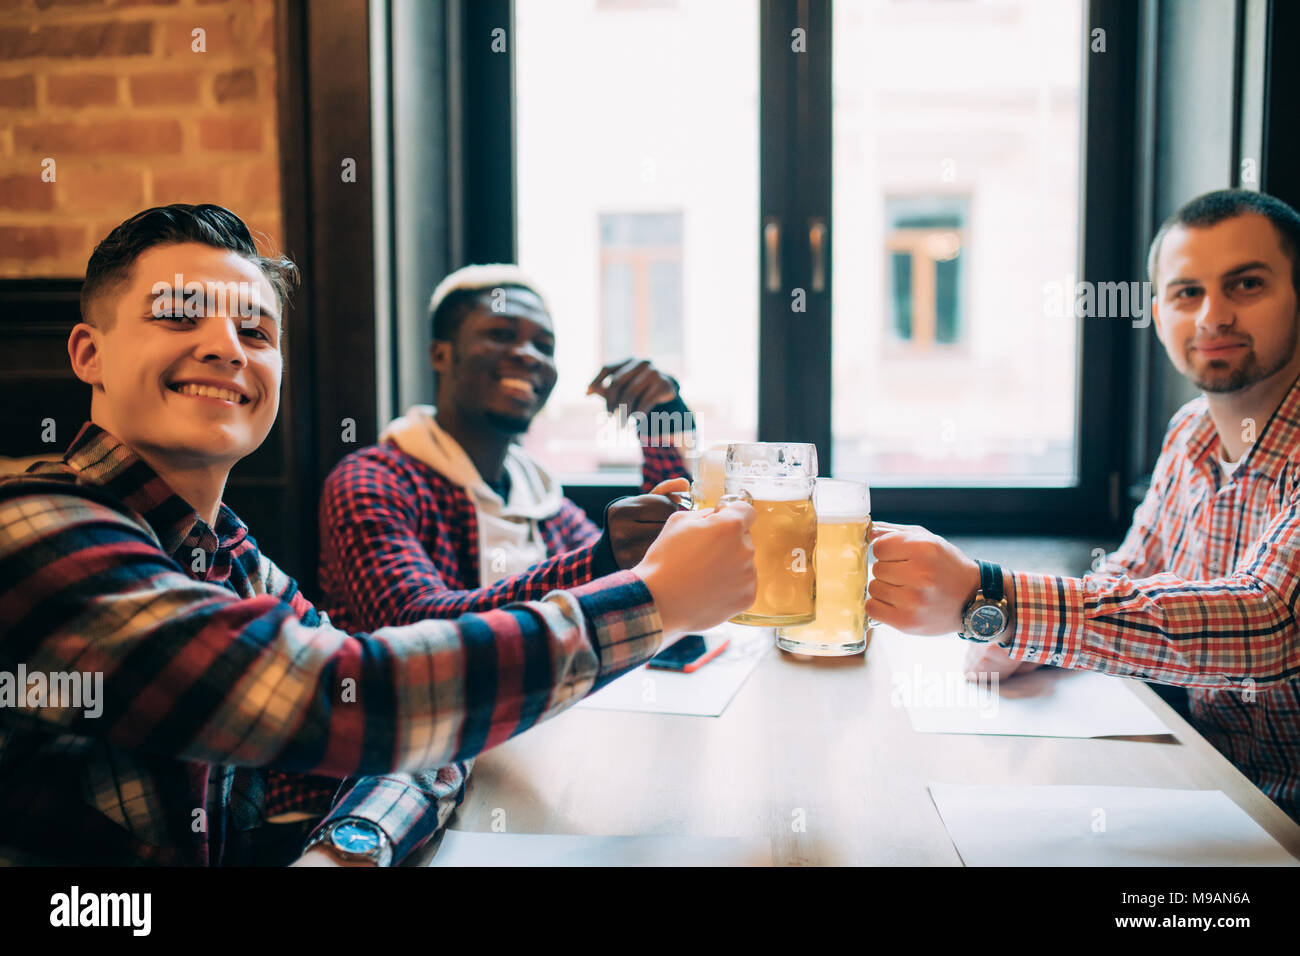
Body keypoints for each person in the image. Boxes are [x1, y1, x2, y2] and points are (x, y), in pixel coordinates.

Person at [0, 204, 757, 867]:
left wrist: (347, 852)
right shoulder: (36, 528)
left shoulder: (235, 561)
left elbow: (415, 724)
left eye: (255, 330)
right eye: (179, 315)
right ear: (88, 354)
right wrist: (648, 597)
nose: (226, 347)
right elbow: (372, 684)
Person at [867, 189, 1300, 822]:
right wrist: (1026, 637)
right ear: (1157, 314)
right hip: (1207, 791)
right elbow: (1130, 575)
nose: (1212, 316)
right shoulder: (1192, 432)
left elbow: (1268, 626)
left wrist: (992, 599)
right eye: (1187, 293)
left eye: (1247, 285)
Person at [317, 263, 697, 634]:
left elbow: (652, 570)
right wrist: (598, 563)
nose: (528, 354)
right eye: (500, 334)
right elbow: (414, 627)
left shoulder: (540, 495)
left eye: (544, 345)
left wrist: (661, 417)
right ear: (440, 354)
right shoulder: (372, 481)